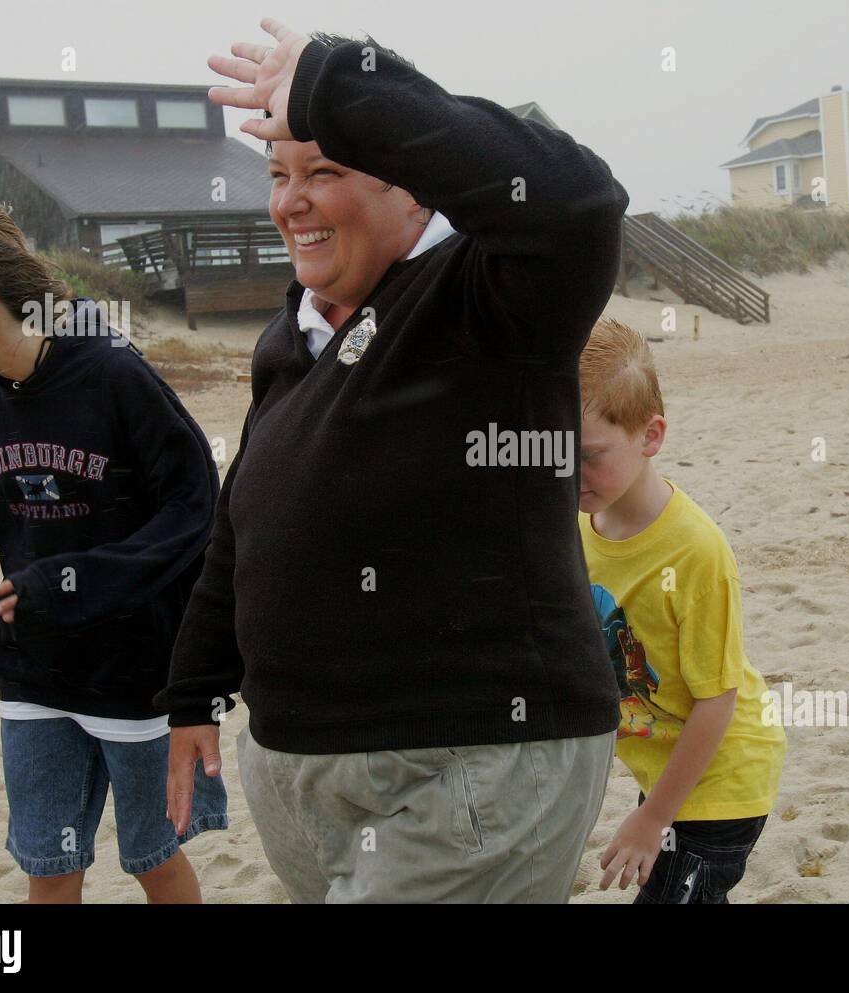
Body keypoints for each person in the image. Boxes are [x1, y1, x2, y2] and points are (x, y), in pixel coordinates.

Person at [157, 20, 628, 903]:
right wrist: (195, 691)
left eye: (325, 172)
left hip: (468, 758)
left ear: (419, 193)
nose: (290, 202)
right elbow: (245, 520)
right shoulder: (289, 336)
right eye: (278, 175)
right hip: (301, 768)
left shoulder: (489, 298)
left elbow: (579, 204)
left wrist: (340, 85)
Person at [0, 204, 227, 903]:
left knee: (152, 857)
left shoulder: (115, 376)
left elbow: (194, 508)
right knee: (50, 865)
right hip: (33, 670)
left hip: (134, 673)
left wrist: (73, 581)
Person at [577, 318, 786, 903]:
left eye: (589, 455)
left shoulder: (696, 552)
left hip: (723, 776)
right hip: (665, 769)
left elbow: (718, 700)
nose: (569, 472)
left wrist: (652, 820)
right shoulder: (577, 523)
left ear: (651, 435)